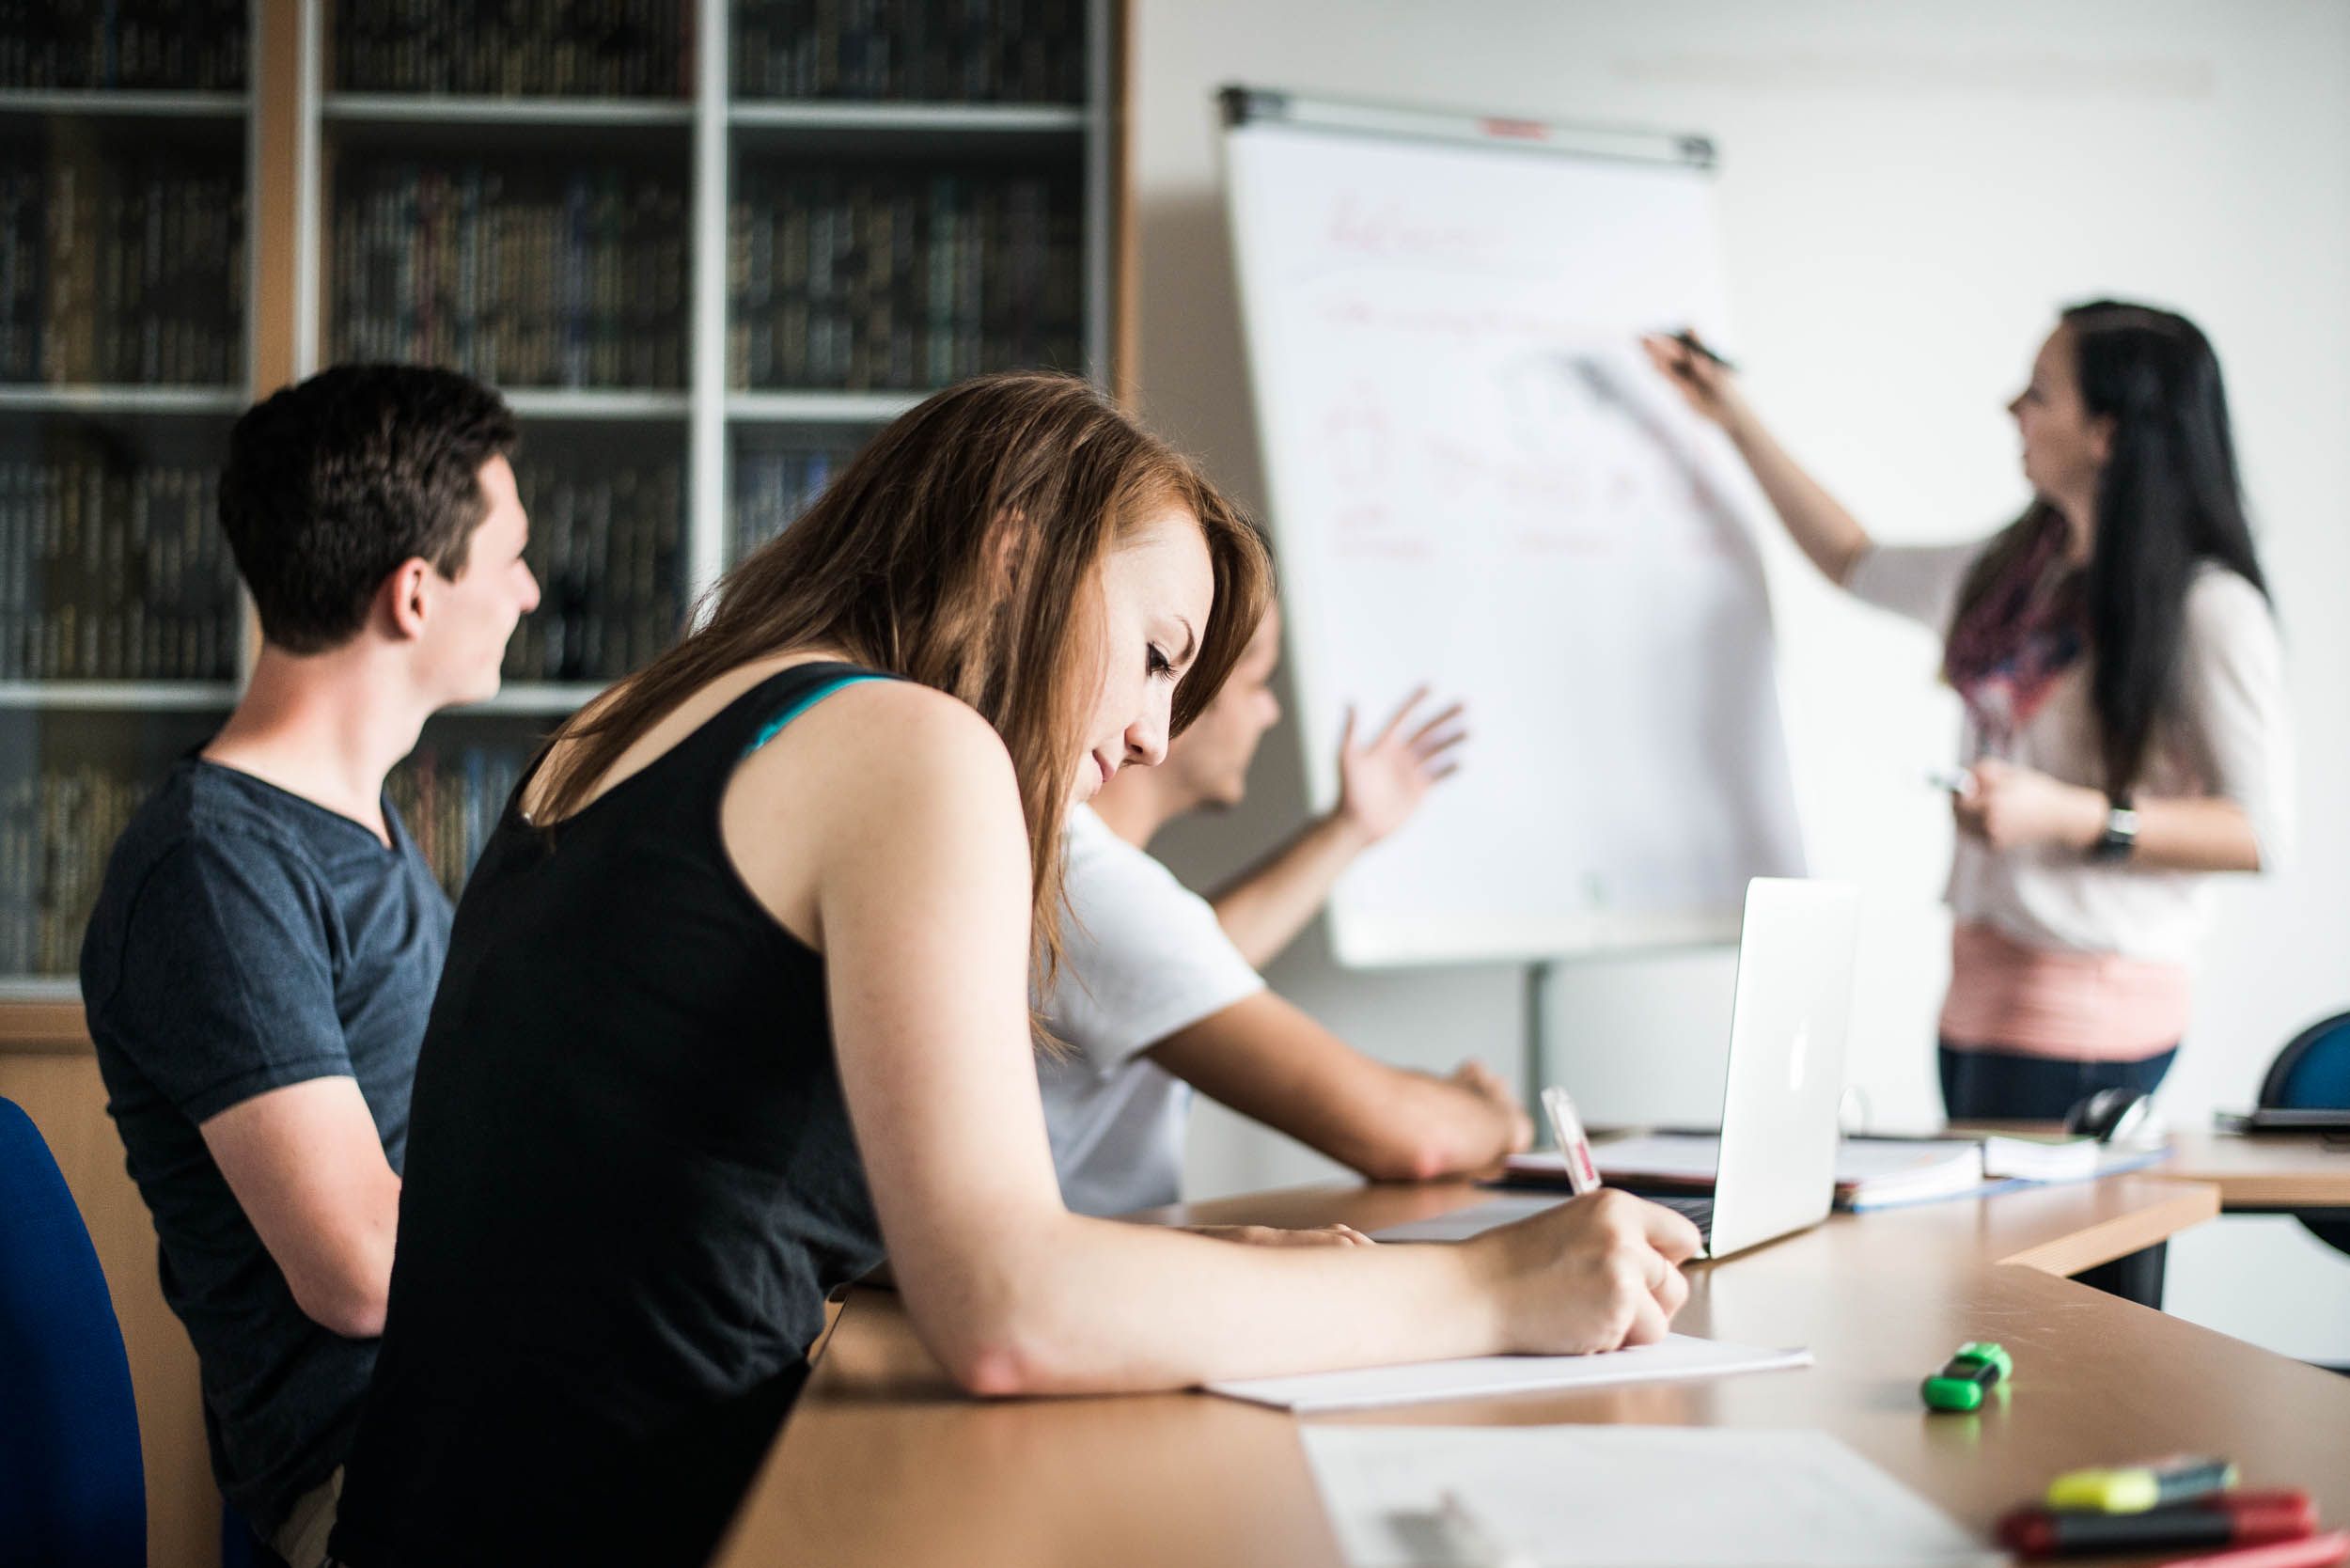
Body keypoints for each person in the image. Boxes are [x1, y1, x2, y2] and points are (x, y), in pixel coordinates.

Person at [324, 372, 1700, 1568]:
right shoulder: (912, 745)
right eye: (1155, 657)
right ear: (1011, 550)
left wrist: (1207, 1274)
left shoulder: (627, 722)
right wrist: (1493, 1288)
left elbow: (696, 1231)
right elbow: (1008, 1310)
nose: (1156, 733)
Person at [79, 364, 540, 1565]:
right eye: (511, 559)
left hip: (489, 1413)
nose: (531, 591)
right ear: (415, 595)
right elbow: (363, 1272)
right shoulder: (215, 867)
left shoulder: (361, 829)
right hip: (386, 1474)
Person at [1643, 302, 2293, 1120]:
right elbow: (1853, 558)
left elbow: (2258, 833)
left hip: (2088, 1009)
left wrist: (2069, 816)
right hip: (1981, 992)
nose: (2012, 408)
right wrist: (1731, 417)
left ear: (2106, 433)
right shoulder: (2016, 573)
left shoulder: (2209, 610)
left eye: (2039, 393)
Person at [1042, 602, 1528, 1216]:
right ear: (1178, 690)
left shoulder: (1075, 870)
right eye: (1256, 681)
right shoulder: (1089, 884)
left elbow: (1184, 960)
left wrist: (1351, 828)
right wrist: (1496, 1118)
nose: (1269, 710)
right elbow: (1415, 1138)